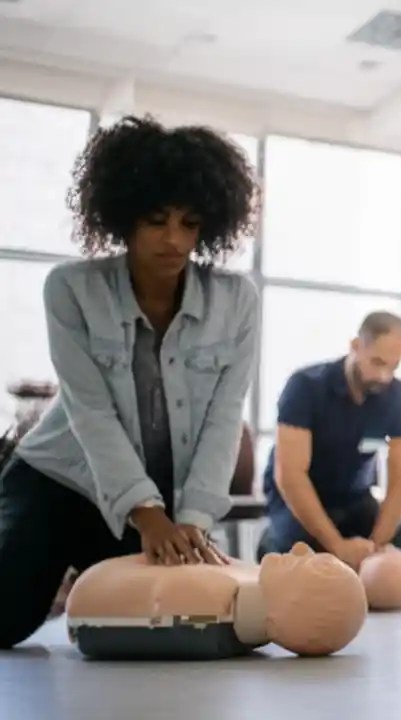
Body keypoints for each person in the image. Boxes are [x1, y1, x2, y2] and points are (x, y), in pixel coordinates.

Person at [0, 116, 260, 649]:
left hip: (154, 504)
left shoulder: (238, 301)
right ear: (122, 219)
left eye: (189, 224)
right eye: (156, 220)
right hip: (60, 484)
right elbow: (90, 412)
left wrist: (191, 518)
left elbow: (224, 417)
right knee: (5, 622)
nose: (173, 240)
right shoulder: (70, 289)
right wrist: (148, 515)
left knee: (155, 626)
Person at [256, 312, 401, 599]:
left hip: (354, 500)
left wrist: (375, 545)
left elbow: (400, 481)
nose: (384, 376)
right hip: (298, 500)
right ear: (356, 346)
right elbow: (291, 477)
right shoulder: (305, 386)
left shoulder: (398, 397)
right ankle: (272, 541)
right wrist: (336, 545)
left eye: (394, 366)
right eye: (377, 363)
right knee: (302, 581)